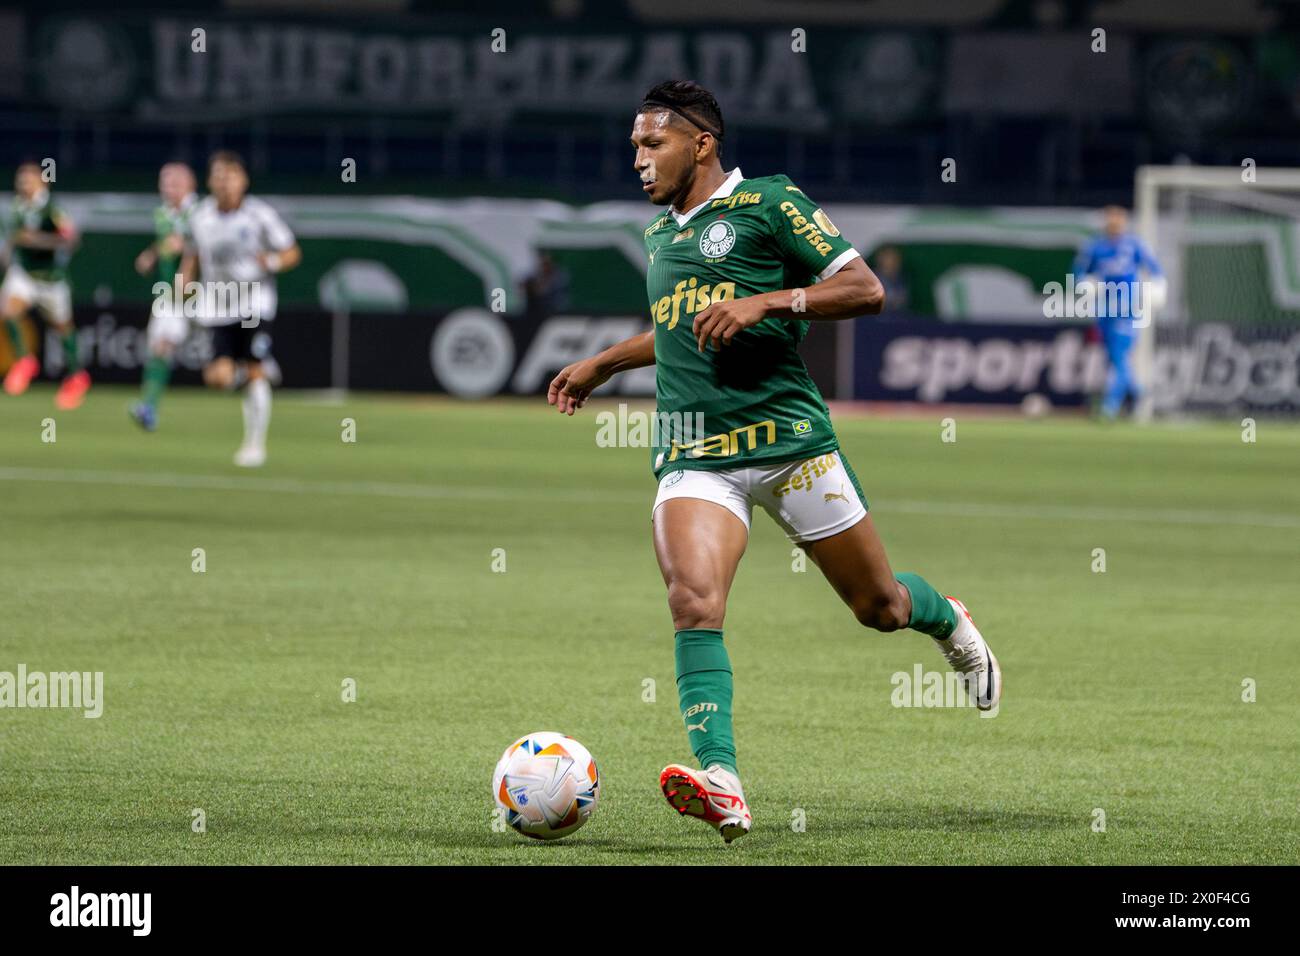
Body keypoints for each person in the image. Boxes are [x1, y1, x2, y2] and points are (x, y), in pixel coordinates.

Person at [547, 81, 1002, 844]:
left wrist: (769, 302)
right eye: (633, 145)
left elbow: (865, 289)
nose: (638, 158)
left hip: (790, 443)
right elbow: (682, 329)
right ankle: (721, 779)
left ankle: (948, 619)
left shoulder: (770, 203)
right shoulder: (661, 234)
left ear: (702, 143)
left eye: (651, 143)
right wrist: (606, 362)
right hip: (695, 450)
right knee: (694, 601)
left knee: (879, 607)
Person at [184, 151, 300, 466]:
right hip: (218, 303)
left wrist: (272, 261)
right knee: (218, 379)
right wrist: (184, 281)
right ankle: (257, 362)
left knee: (254, 373)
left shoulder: (259, 215)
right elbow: (192, 252)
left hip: (254, 301)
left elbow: (291, 251)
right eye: (218, 176)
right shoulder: (200, 216)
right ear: (209, 181)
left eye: (231, 175)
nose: (224, 182)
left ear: (243, 180)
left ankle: (254, 445)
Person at [1, 161, 87, 408]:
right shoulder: (17, 208)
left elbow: (71, 240)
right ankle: (25, 360)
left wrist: (37, 240)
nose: (22, 184)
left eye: (28, 179)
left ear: (43, 181)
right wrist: (7, 253)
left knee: (63, 329)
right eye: (20, 179)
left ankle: (77, 376)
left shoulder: (52, 209)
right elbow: (15, 238)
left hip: (51, 280)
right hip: (25, 275)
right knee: (8, 311)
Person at [1072, 205, 1165, 419]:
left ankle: (1109, 406)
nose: (1114, 225)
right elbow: (1078, 272)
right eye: (1110, 221)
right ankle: (1139, 392)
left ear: (1123, 223)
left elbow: (1155, 269)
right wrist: (1086, 284)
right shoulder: (1095, 247)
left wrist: (1158, 287)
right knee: (1113, 358)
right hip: (1104, 309)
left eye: (1118, 221)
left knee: (1120, 357)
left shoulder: (1134, 245)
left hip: (1128, 308)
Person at [129, 162, 199, 431]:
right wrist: (152, 254)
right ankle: (149, 407)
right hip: (170, 294)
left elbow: (196, 244)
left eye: (173, 182)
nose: (167, 187)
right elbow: (171, 241)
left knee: (225, 354)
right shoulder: (162, 213)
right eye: (163, 182)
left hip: (207, 292)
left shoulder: (199, 211)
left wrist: (186, 269)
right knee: (159, 346)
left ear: (189, 185)